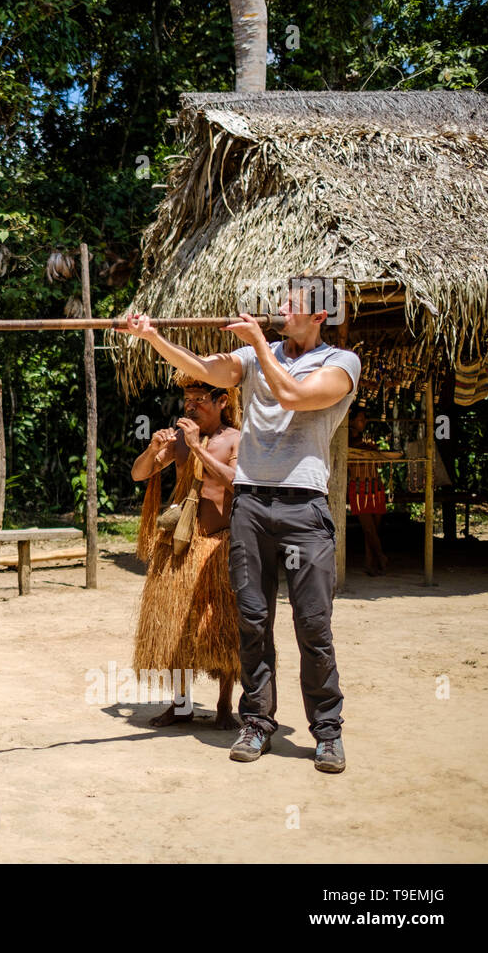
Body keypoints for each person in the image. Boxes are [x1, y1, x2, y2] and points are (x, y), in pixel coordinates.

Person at [119, 284, 360, 773]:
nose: (281, 308)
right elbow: (205, 370)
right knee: (252, 621)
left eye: (292, 304)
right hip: (250, 503)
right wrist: (153, 337)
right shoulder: (258, 354)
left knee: (313, 624)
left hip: (304, 507)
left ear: (320, 315)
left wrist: (254, 349)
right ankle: (256, 722)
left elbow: (293, 396)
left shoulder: (341, 362)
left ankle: (327, 732)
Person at [130, 372, 242, 729]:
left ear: (222, 401)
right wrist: (152, 449)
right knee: (174, 625)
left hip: (218, 546)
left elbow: (236, 482)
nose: (190, 407)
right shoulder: (179, 439)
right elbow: (139, 474)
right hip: (180, 544)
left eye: (199, 401)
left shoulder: (236, 440)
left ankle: (225, 704)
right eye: (187, 401)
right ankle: (180, 705)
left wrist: (196, 448)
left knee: (220, 627)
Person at [347, 406, 388, 576]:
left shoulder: (367, 444)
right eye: (360, 419)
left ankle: (370, 564)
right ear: (350, 421)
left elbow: (379, 464)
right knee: (369, 529)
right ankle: (381, 557)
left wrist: (373, 451)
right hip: (359, 487)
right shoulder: (346, 440)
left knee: (371, 530)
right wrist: (370, 450)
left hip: (374, 486)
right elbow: (351, 453)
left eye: (364, 419)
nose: (363, 422)